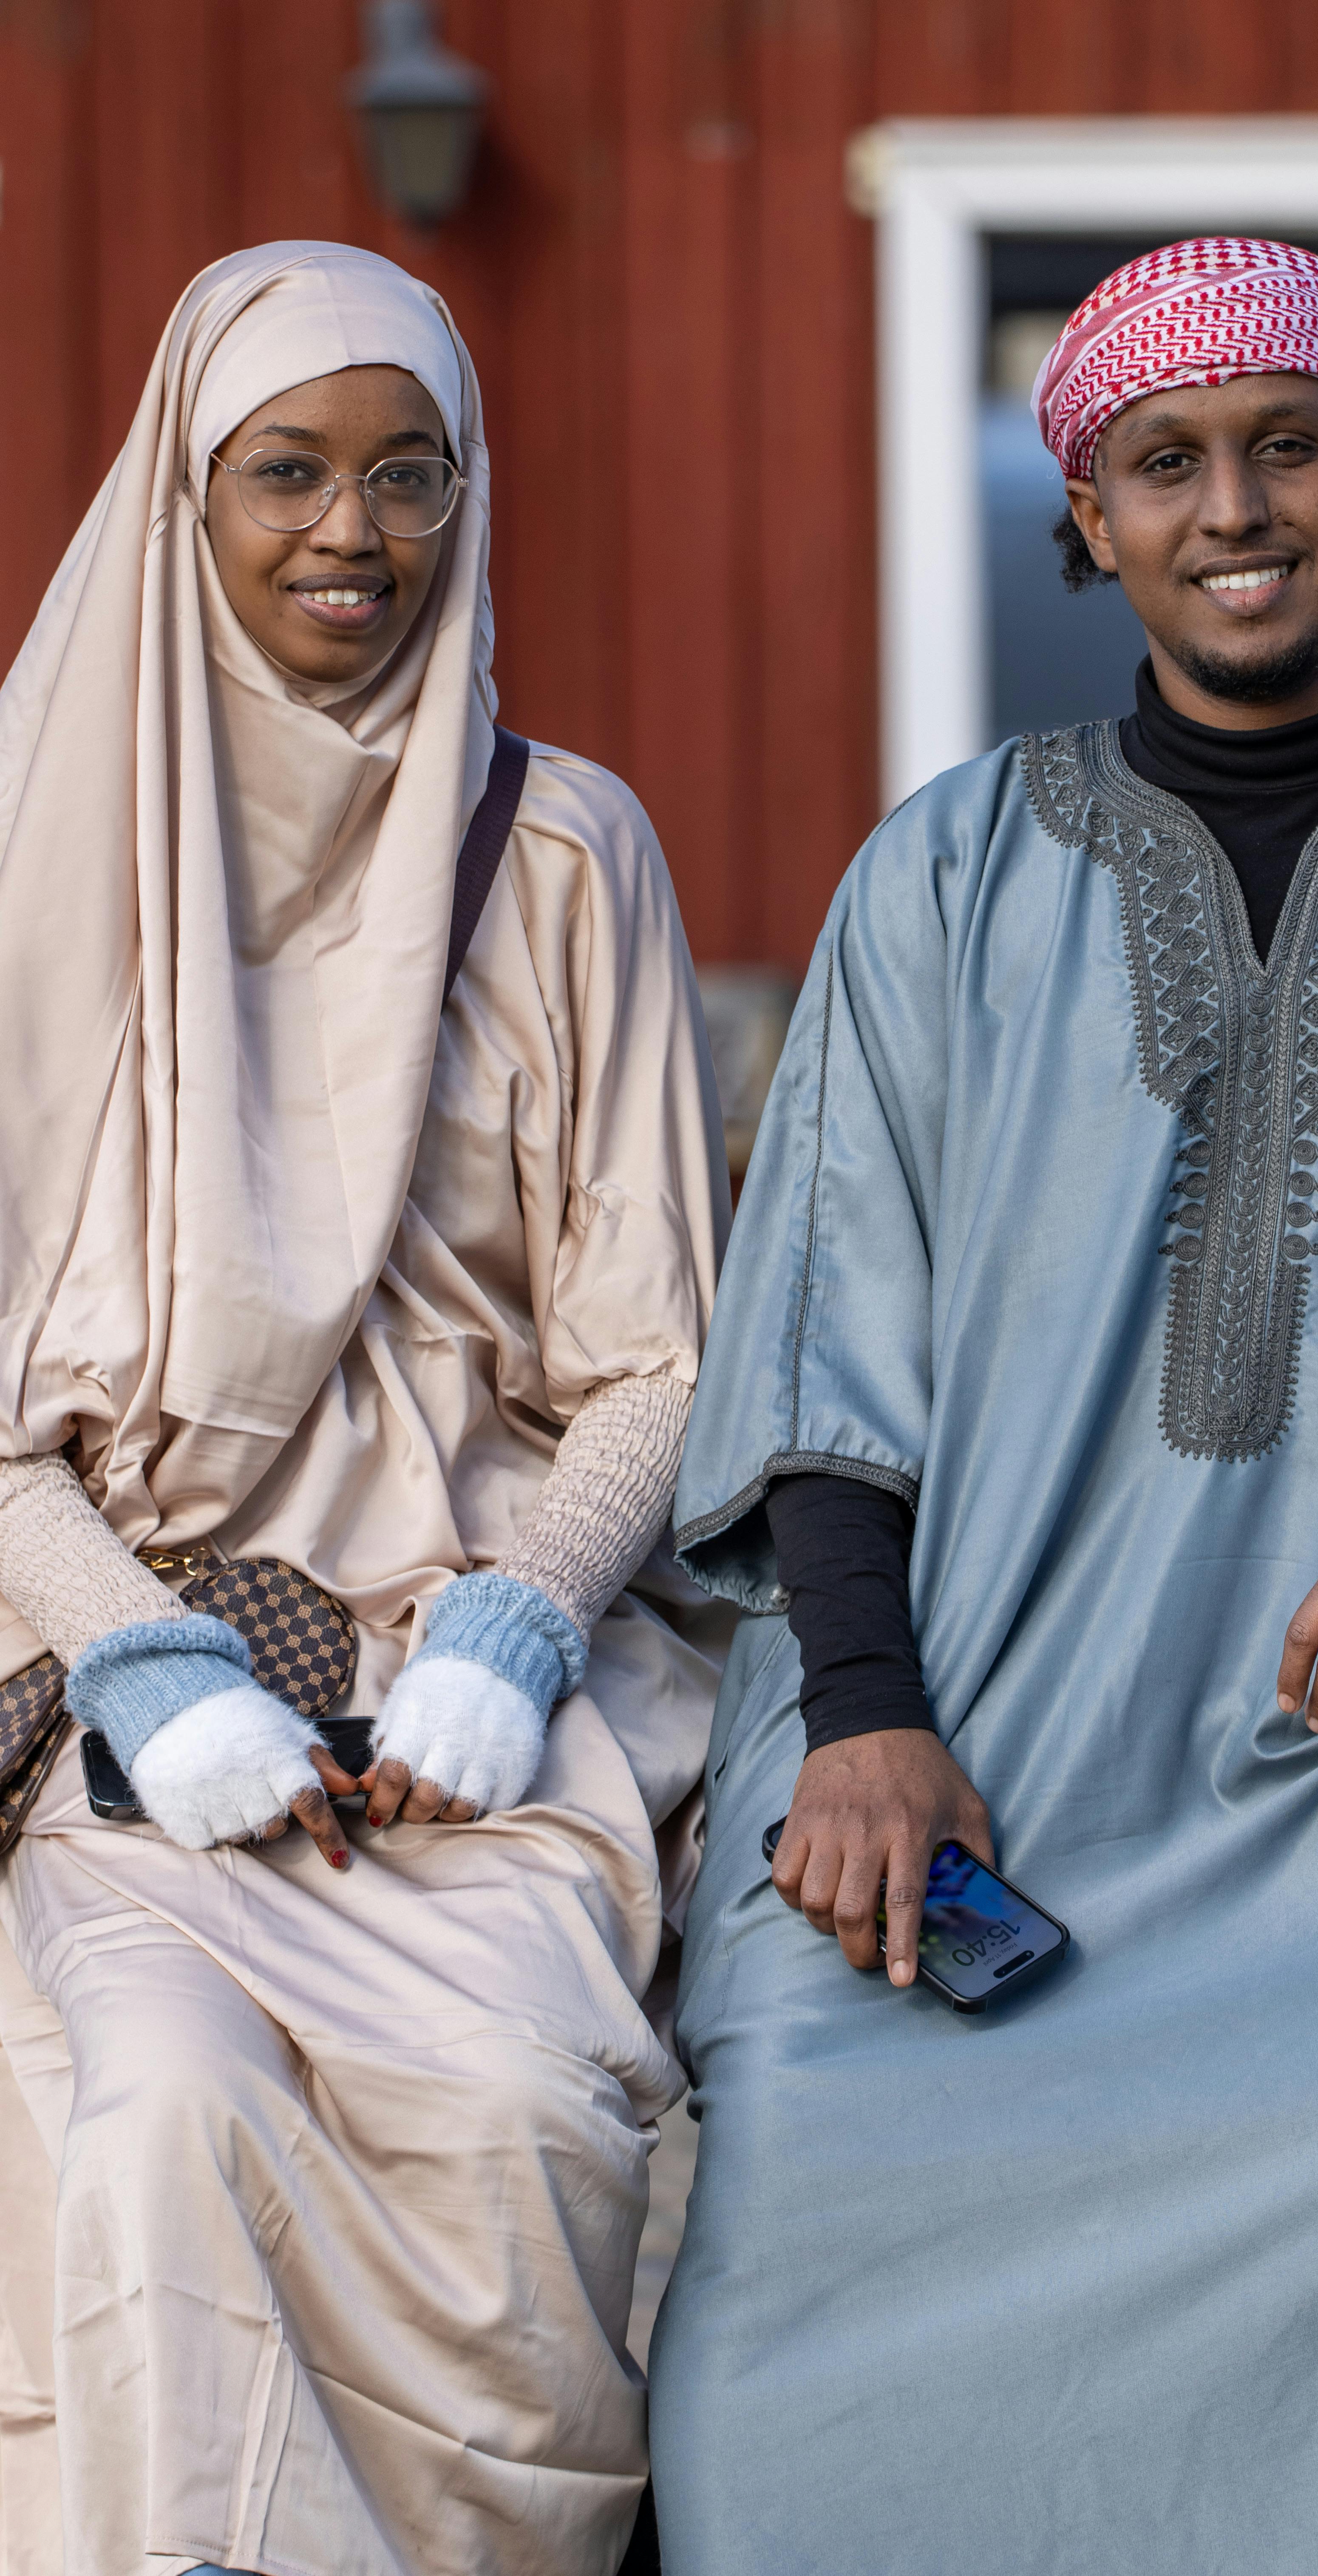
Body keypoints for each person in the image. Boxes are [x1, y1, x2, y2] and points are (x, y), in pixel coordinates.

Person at [651, 239, 1318, 2573]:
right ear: (1092, 521)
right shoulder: (941, 877)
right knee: (801, 2246)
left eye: (1287, 447)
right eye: (1167, 461)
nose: (1236, 506)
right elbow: (817, 1345)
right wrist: (855, 1714)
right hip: (949, 1770)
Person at [0, 241, 728, 2576]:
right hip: (135, 1746)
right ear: (184, 498)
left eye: (408, 474)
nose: (353, 531)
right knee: (146, 2142)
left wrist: (520, 1631)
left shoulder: (561, 855)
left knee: (521, 2126)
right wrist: (137, 1656)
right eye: (287, 474)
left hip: (468, 1723)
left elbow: (659, 1359)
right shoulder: (36, 864)